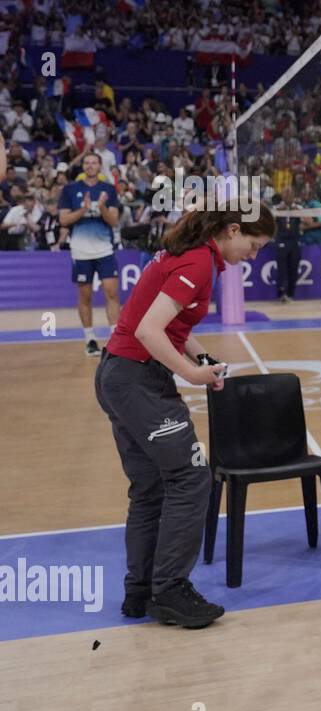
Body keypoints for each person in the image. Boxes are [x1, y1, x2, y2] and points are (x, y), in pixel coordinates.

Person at [95, 203, 274, 628]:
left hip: (118, 375)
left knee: (150, 487)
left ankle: (140, 592)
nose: (252, 257)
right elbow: (147, 331)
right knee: (191, 478)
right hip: (137, 379)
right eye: (252, 246)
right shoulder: (198, 261)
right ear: (232, 230)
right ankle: (171, 590)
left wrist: (199, 355)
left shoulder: (189, 253)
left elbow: (168, 324)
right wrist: (192, 373)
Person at [59, 153, 121, 356]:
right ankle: (90, 339)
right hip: (81, 251)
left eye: (94, 162)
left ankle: (115, 339)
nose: (90, 165)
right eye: (86, 162)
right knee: (85, 296)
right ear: (83, 166)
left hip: (105, 250)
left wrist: (101, 207)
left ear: (100, 166)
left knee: (111, 293)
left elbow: (113, 220)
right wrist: (83, 209)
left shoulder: (109, 189)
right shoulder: (70, 190)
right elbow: (64, 220)